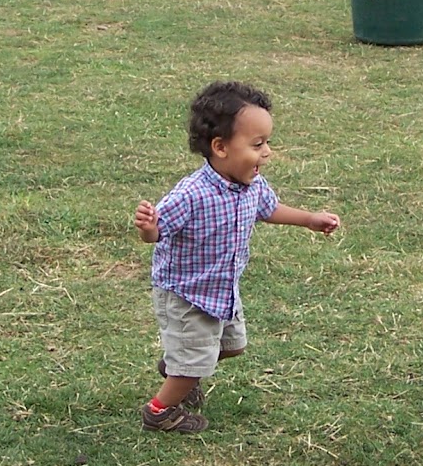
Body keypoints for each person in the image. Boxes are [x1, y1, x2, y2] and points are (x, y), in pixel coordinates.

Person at [134, 80, 341, 433]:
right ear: (220, 147)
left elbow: (270, 209)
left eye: (267, 143)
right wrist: (148, 226)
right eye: (258, 144)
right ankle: (159, 410)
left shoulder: (252, 184)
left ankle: (179, 369)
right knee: (194, 364)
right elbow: (156, 234)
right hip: (186, 294)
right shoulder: (191, 194)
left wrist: (309, 219)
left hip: (221, 290)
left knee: (233, 346)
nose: (267, 152)